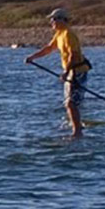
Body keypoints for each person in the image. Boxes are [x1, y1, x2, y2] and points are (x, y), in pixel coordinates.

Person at [25, 8, 91, 138]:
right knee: (69, 102)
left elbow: (74, 54)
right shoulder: (59, 34)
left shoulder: (68, 34)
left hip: (77, 72)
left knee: (71, 103)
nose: (51, 22)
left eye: (53, 19)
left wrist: (67, 72)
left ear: (61, 19)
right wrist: (32, 57)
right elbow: (49, 48)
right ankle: (76, 125)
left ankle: (77, 132)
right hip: (70, 72)